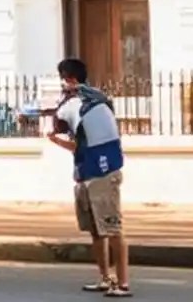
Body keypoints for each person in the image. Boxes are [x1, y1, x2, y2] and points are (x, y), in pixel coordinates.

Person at [47, 58, 131, 297]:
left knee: (113, 228)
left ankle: (123, 284)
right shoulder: (86, 104)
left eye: (63, 80)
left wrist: (55, 116)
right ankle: (105, 278)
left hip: (102, 174)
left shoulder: (84, 102)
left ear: (70, 79)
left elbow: (60, 116)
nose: (62, 85)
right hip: (86, 171)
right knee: (96, 231)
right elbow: (80, 146)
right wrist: (57, 141)